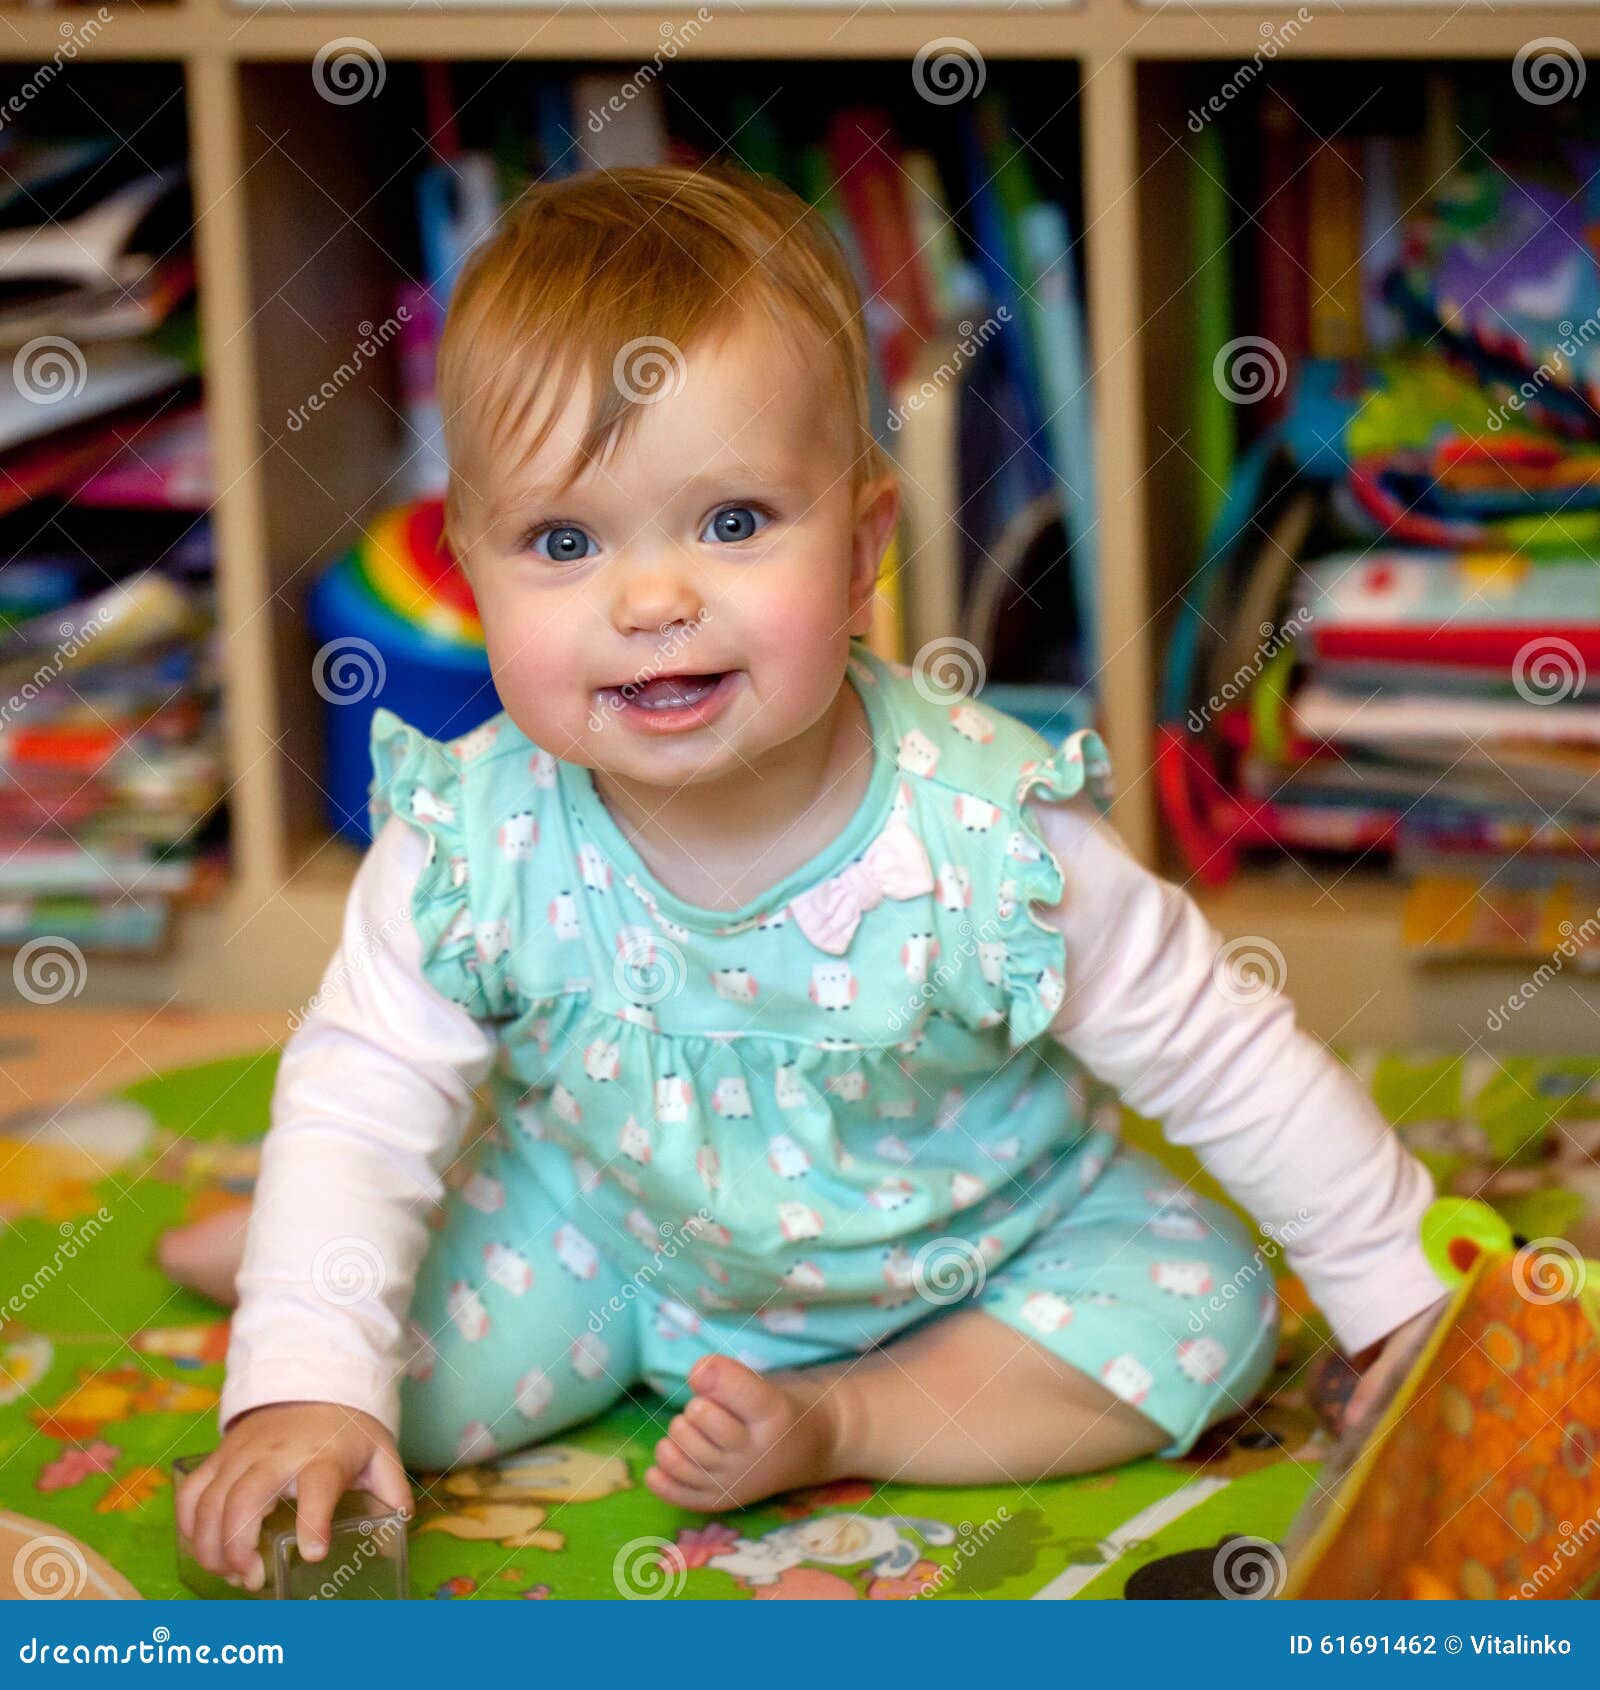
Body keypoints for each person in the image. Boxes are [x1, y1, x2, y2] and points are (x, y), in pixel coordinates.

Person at [169, 162, 1448, 1589]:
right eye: (565, 541)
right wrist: (303, 1375)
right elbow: (361, 1095)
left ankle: (844, 1416)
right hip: (602, 1242)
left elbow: (1223, 1053)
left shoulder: (984, 835)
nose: (652, 600)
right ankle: (294, 1270)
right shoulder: (472, 846)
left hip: (983, 1261)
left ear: (861, 549)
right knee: (355, 1406)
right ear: (472, 571)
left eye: (731, 522)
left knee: (1209, 1310)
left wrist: (1400, 1297)